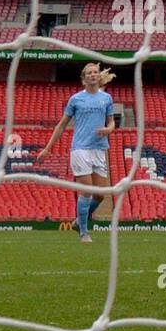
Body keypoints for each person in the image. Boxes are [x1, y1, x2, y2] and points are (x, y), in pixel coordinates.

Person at [36, 63, 116, 243]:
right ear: (84, 78)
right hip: (80, 149)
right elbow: (62, 124)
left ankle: (78, 222)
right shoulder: (76, 99)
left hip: (99, 148)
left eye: (95, 72)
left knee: (101, 195)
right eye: (89, 73)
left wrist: (108, 130)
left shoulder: (107, 98)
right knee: (86, 192)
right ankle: (84, 232)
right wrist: (48, 148)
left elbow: (112, 122)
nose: (93, 75)